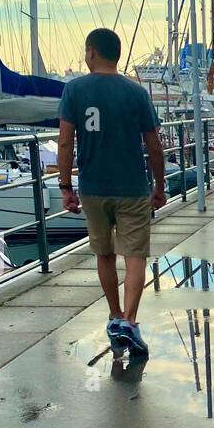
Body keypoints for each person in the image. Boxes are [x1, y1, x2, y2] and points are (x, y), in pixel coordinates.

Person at [57, 27, 165, 357]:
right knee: (135, 256)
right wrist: (159, 187)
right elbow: (154, 145)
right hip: (132, 187)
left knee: (104, 254)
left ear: (91, 52)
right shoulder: (135, 93)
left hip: (93, 188)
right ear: (116, 55)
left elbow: (65, 142)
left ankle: (114, 315)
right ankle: (129, 323)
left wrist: (65, 187)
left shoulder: (74, 90)